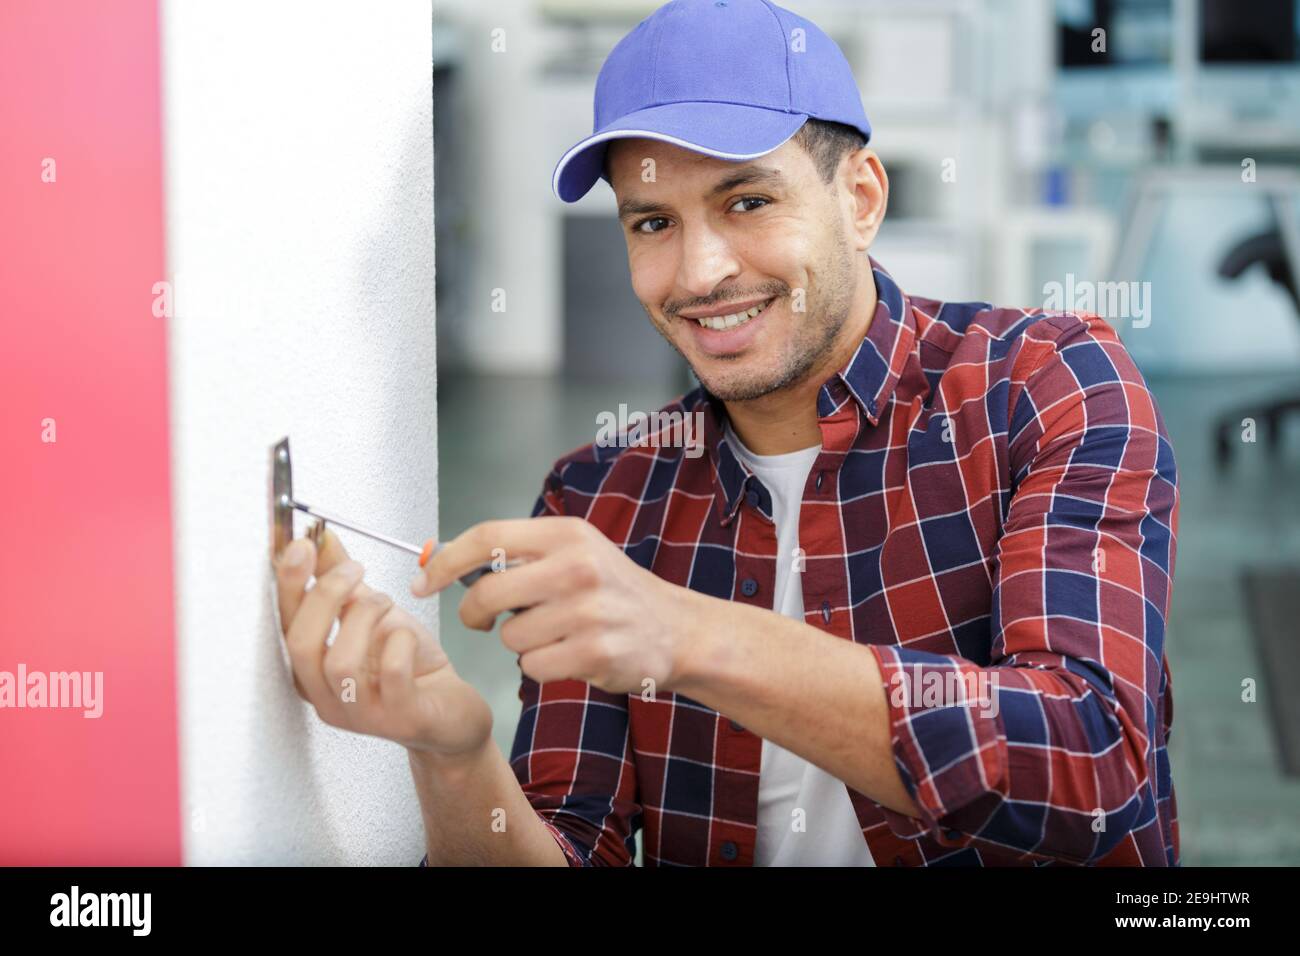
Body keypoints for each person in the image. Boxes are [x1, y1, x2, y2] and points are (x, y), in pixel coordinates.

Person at [273, 0, 1179, 866]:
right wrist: (451, 752)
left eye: (748, 202)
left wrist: (685, 636)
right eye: (655, 222)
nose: (701, 272)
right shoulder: (600, 500)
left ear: (859, 198)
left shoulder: (1047, 384)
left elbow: (1088, 761)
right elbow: (565, 847)